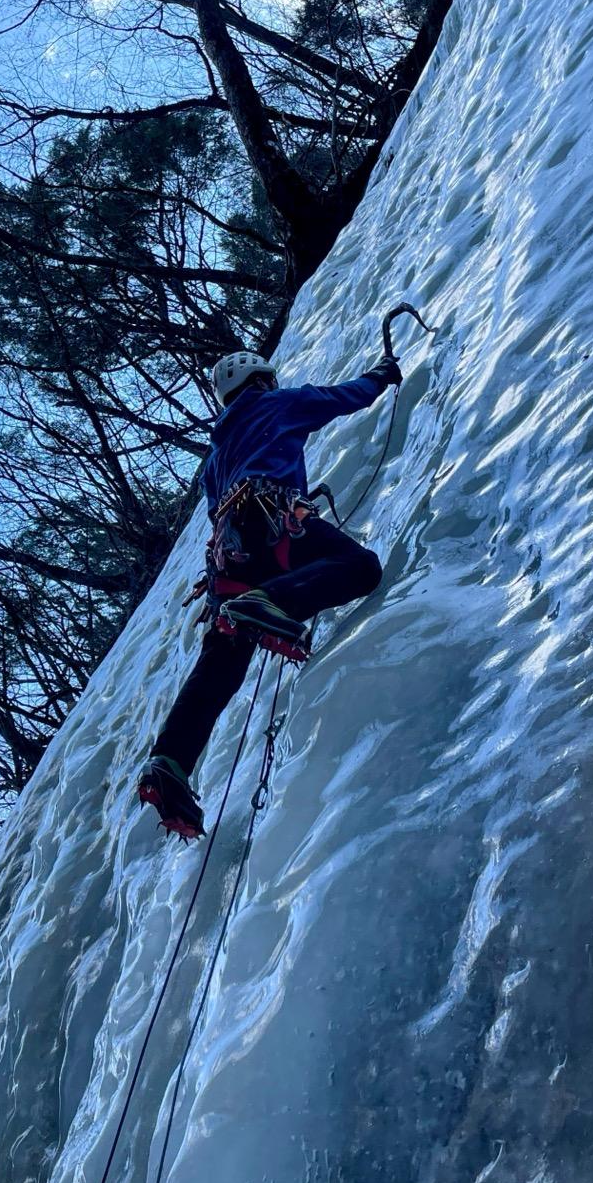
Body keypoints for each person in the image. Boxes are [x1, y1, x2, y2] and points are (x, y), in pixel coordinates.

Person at [138, 348, 399, 839]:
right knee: (359, 566)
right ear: (260, 380)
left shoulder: (216, 458)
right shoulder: (274, 404)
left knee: (221, 664)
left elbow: (223, 505)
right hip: (270, 517)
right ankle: (274, 601)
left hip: (228, 556)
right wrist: (381, 374)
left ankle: (170, 760)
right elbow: (341, 398)